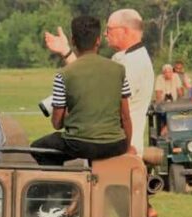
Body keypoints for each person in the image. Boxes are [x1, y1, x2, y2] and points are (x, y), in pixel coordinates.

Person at [45, 9, 153, 155]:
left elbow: (98, 94)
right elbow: (90, 74)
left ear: (125, 31)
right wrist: (66, 51)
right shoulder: (126, 58)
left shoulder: (133, 63)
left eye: (109, 29)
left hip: (121, 147)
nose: (104, 34)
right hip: (114, 142)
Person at [30, 15, 132, 167]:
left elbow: (57, 123)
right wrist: (127, 147)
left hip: (79, 144)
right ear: (98, 40)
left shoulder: (63, 74)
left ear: (73, 41)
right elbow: (125, 117)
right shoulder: (118, 70)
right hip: (115, 145)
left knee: (38, 148)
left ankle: (60, 188)